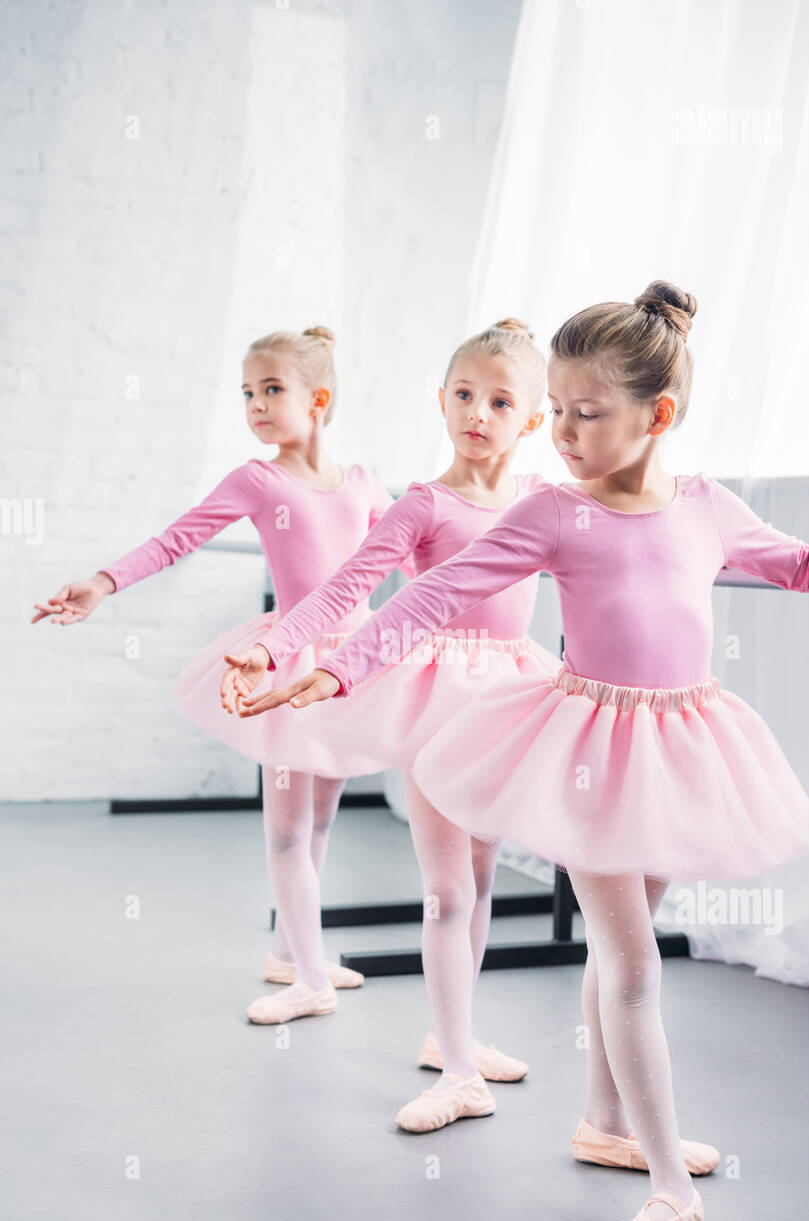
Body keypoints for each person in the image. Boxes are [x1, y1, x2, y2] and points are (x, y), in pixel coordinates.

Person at [242, 281, 809, 1221]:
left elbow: (805, 566)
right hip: (590, 754)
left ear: (657, 415)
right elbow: (438, 590)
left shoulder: (706, 506)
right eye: (561, 413)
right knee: (632, 965)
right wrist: (335, 662)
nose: (564, 434)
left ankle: (606, 1122)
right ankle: (668, 1191)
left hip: (683, 741)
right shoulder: (553, 512)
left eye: (586, 415)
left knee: (621, 952)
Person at [222, 319, 560, 1129]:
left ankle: (455, 1039)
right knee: (446, 890)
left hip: (510, 694)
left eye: (500, 400)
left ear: (533, 419)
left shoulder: (544, 503)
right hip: (436, 695)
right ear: (441, 402)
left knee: (480, 878)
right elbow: (346, 589)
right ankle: (452, 1073)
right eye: (464, 396)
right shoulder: (423, 504)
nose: (477, 413)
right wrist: (276, 651)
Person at [32, 326, 409, 1007]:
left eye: (271, 389)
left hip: (347, 666)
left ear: (318, 398)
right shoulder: (258, 480)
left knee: (321, 821)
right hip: (286, 663)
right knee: (289, 829)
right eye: (246, 393)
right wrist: (102, 580)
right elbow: (179, 538)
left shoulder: (363, 484)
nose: (255, 405)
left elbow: (413, 562)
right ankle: (312, 981)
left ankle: (288, 955)